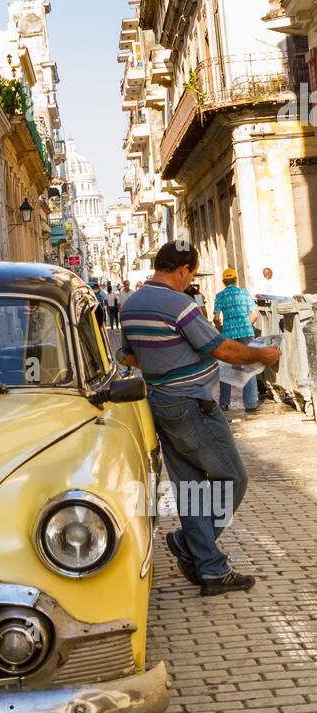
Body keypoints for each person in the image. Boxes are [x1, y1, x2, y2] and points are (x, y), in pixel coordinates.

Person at [120, 241, 281, 595]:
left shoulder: (130, 306)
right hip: (192, 404)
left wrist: (166, 361)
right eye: (191, 273)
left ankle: (210, 569)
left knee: (191, 489)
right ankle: (191, 546)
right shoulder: (180, 305)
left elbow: (129, 357)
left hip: (161, 402)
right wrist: (261, 354)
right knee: (233, 478)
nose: (189, 280)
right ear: (183, 270)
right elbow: (222, 348)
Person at [213, 267, 261, 413]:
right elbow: (255, 314)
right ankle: (251, 403)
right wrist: (247, 325)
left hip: (228, 334)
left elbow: (216, 317)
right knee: (249, 367)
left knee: (226, 367)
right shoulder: (244, 292)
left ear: (223, 282)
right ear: (235, 280)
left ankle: (224, 402)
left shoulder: (220, 295)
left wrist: (219, 327)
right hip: (246, 332)